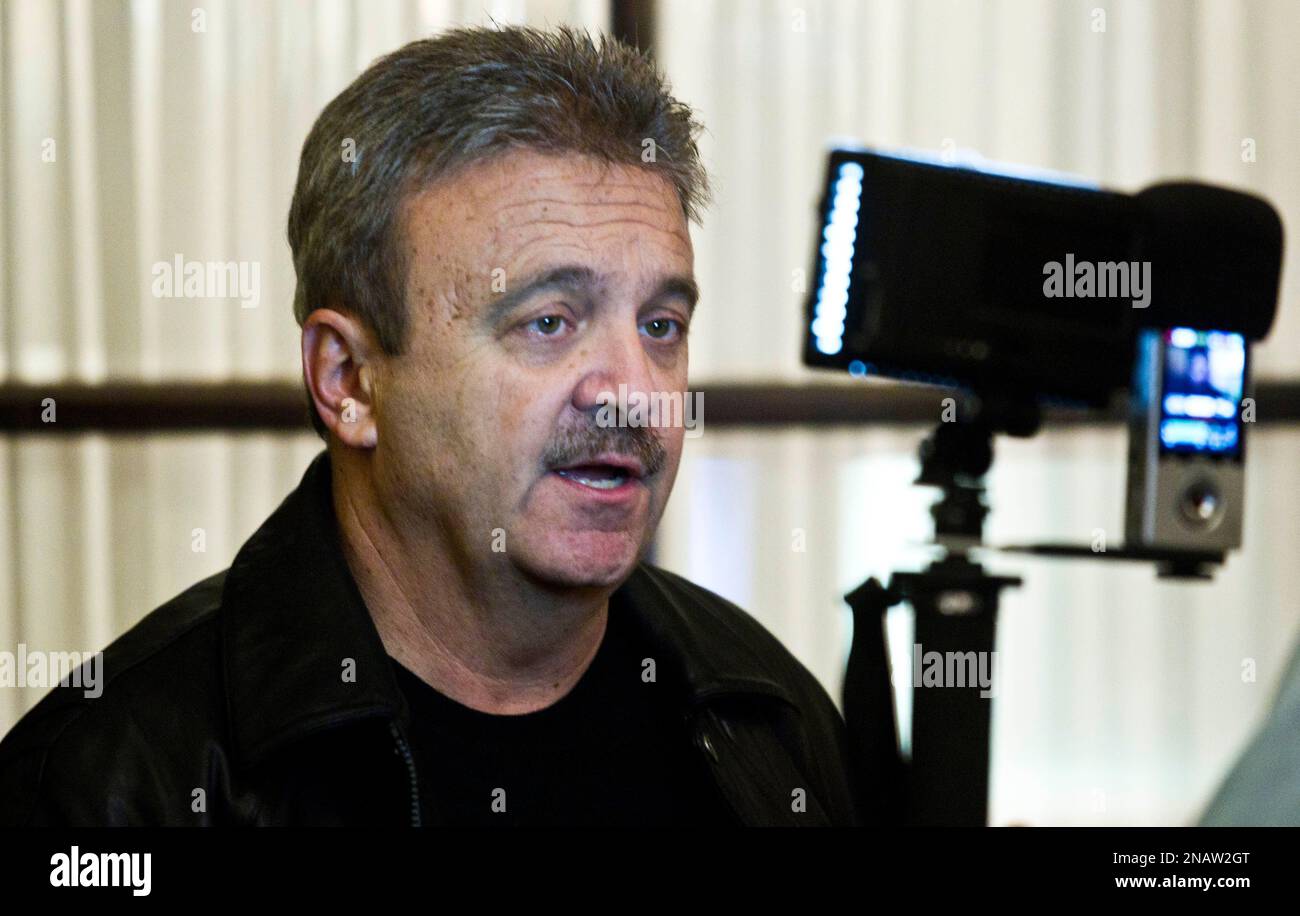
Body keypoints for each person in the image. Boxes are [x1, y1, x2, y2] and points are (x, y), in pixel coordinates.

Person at [0, 25, 860, 826]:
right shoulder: (114, 776)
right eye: (549, 322)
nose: (635, 392)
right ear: (349, 383)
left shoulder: (763, 714)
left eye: (661, 326)